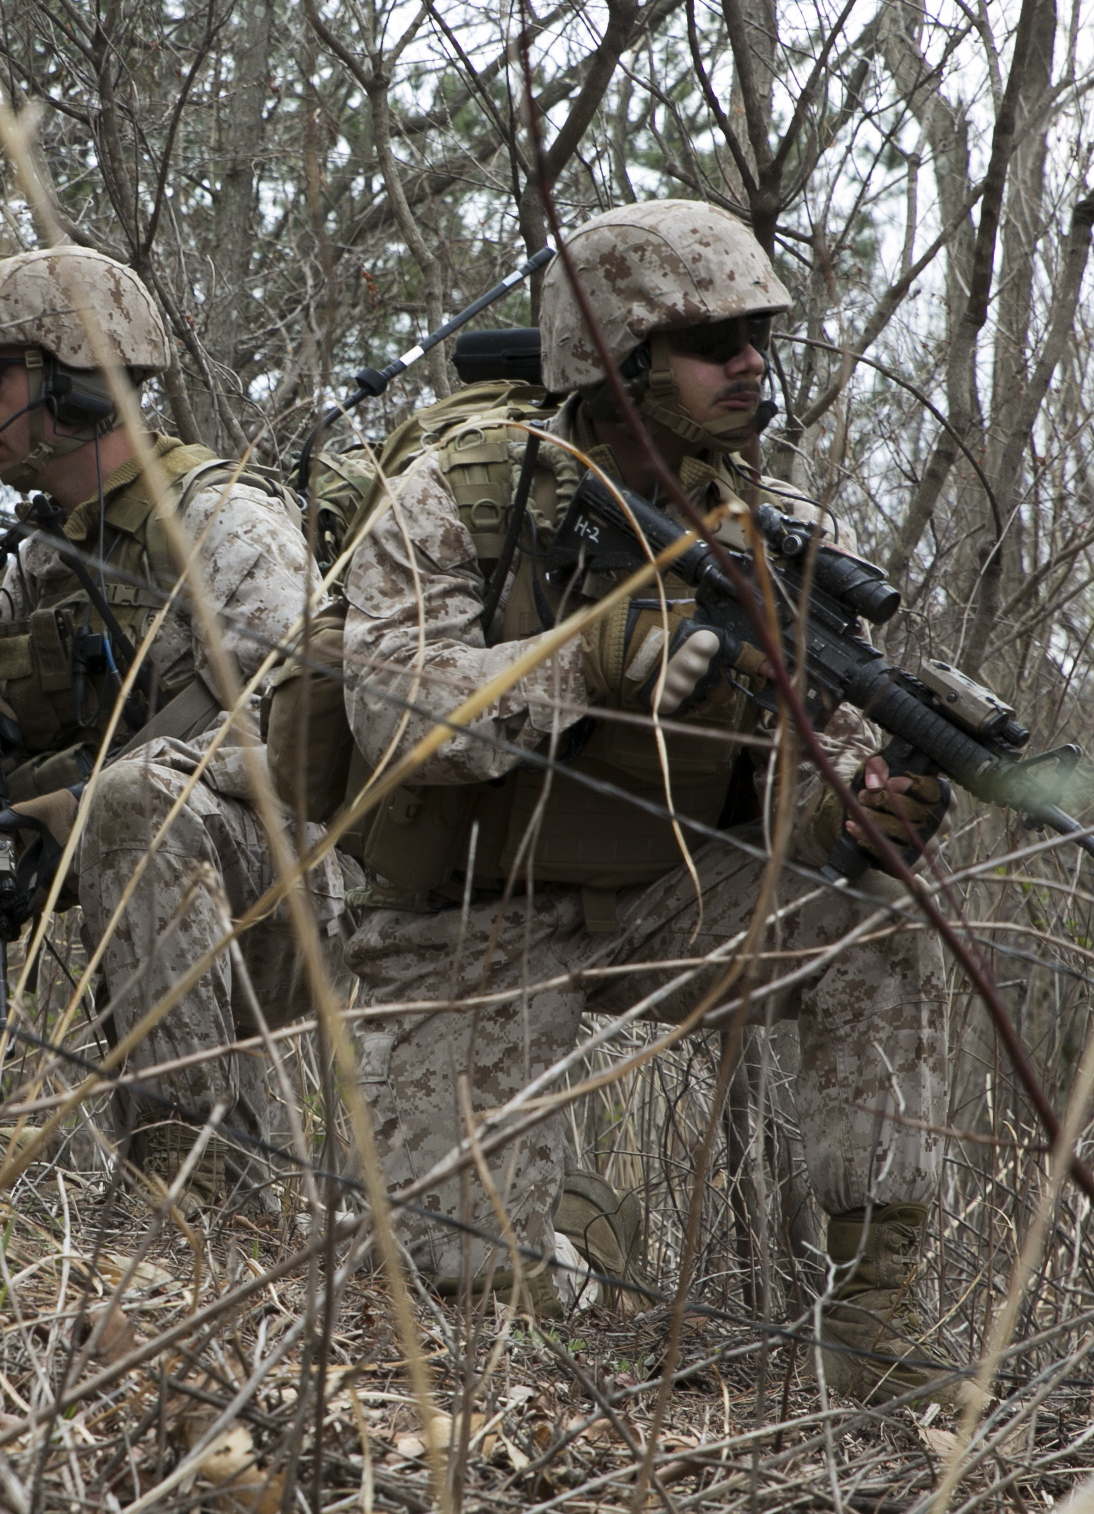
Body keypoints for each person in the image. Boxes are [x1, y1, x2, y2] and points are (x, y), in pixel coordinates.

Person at [341, 200, 976, 1411]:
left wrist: (854, 814)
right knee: (467, 1299)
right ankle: (572, 1252)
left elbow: (814, 762)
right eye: (710, 341)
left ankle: (873, 1320)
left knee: (885, 915)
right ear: (617, 359)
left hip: (666, 899)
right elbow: (391, 718)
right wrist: (585, 656)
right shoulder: (464, 498)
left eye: (757, 336)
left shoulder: (783, 535)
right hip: (467, 916)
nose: (748, 362)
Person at [0, 245, 347, 1204]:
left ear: (77, 381)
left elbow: (304, 738)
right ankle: (224, 1199)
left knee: (134, 800)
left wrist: (83, 806)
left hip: (291, 883)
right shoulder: (36, 563)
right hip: (152, 885)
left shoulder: (223, 522)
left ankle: (186, 1190)